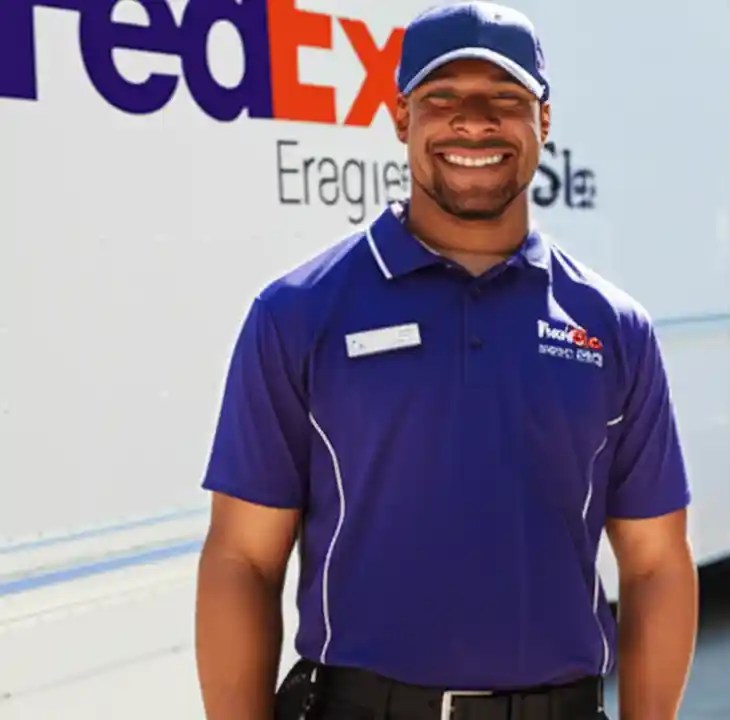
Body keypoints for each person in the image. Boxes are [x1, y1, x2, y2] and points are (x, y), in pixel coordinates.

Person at [193, 3, 697, 719]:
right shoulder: (298, 313)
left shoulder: (614, 329)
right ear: (402, 117)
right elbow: (242, 559)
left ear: (544, 120)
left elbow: (656, 563)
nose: (474, 122)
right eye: (443, 97)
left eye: (506, 99)